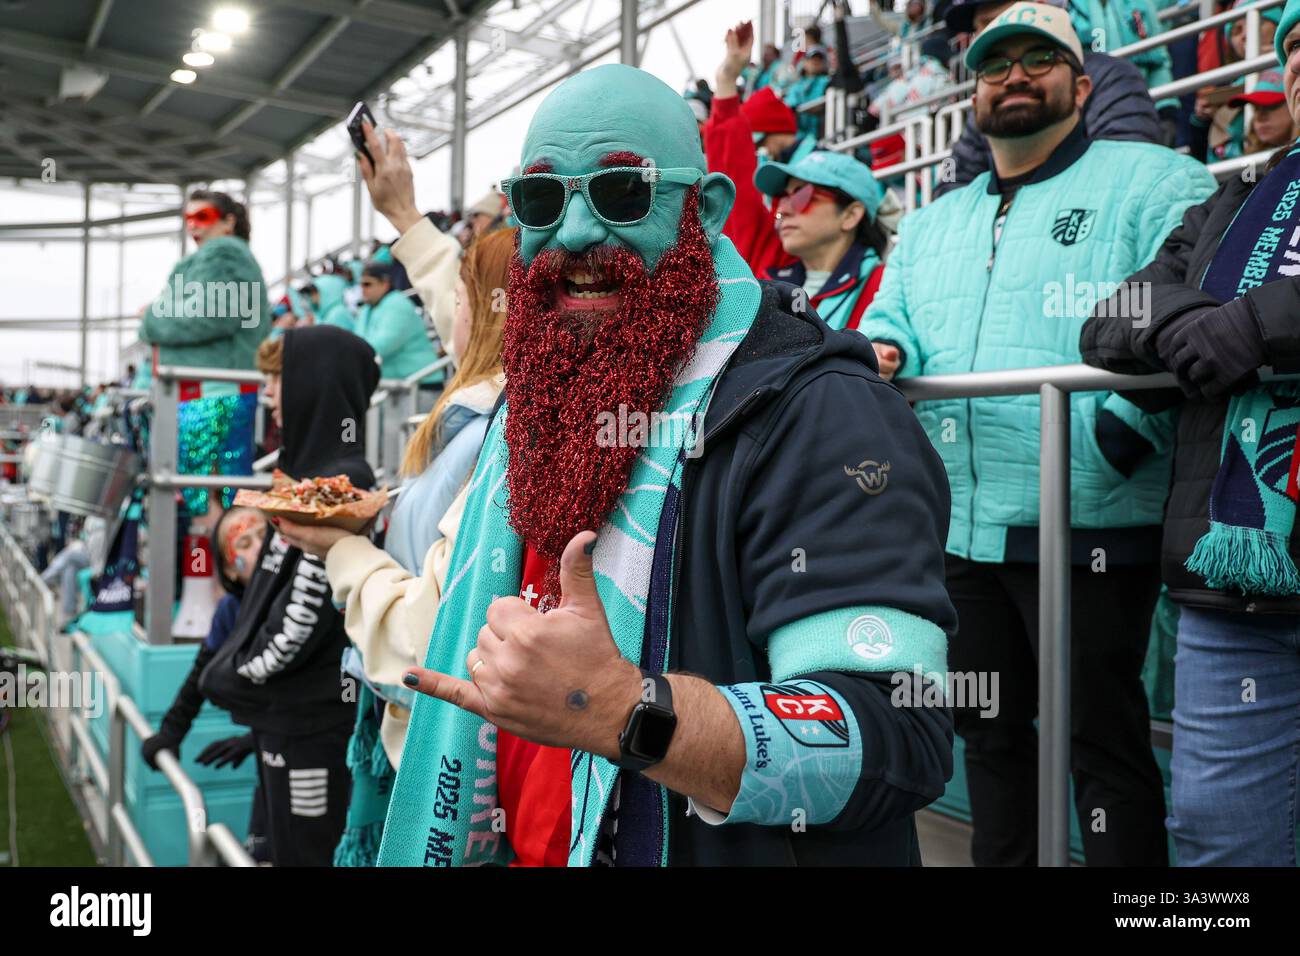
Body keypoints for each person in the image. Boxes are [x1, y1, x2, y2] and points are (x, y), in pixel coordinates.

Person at [378, 63, 956, 869]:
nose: (576, 234)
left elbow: (898, 734)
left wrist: (625, 712)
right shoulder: (538, 403)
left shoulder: (823, 413)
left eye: (622, 193)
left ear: (707, 208)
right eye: (543, 201)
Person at [861, 3, 1217, 866]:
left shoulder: (1157, 180)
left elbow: (1178, 303)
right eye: (995, 65)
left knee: (1101, 740)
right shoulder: (934, 222)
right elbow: (891, 313)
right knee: (987, 737)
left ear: (1082, 83)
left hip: (1088, 522)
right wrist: (886, 347)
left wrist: (1118, 430)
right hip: (961, 533)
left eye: (1037, 59)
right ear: (974, 92)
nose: (1014, 75)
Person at [1079, 0, 1300, 868]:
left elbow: (1249, 325)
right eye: (1296, 54)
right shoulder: (1231, 198)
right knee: (1217, 840)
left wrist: (1256, 326)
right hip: (1236, 588)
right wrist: (1188, 331)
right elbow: (1107, 320)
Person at [273, 227, 515, 865]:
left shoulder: (496, 437)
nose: (447, 316)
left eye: (461, 300)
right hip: (417, 735)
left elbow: (428, 637)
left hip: (442, 761)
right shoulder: (485, 417)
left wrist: (341, 551)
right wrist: (406, 218)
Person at [199, 326, 379, 867]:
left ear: (313, 382)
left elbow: (298, 620)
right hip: (284, 723)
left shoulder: (342, 480)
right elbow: (262, 605)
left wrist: (229, 677)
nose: (269, 393)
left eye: (277, 377)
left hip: (313, 732)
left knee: (306, 855)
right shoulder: (303, 477)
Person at [140, 506, 270, 860]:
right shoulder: (230, 610)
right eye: (244, 542)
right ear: (230, 568)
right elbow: (201, 674)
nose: (261, 545)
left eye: (265, 534)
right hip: (271, 759)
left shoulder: (302, 602)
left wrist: (256, 737)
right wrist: (170, 733)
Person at [937, 0, 1162, 196]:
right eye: (981, 27)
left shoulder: (1110, 74)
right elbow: (950, 179)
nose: (1015, 78)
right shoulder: (992, 102)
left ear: (1080, 89)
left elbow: (1126, 170)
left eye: (1039, 61)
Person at [139, 189, 270, 518]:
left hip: (212, 393)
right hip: (209, 390)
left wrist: (151, 318)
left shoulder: (225, 252)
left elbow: (213, 315)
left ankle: (218, 568)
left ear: (229, 222)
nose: (193, 226)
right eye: (188, 218)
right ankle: (215, 566)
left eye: (203, 217)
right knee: (210, 497)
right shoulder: (221, 257)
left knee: (208, 503)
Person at [754, 151, 890, 330]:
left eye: (801, 196)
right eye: (782, 198)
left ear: (851, 215)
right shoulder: (767, 287)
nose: (783, 210)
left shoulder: (886, 287)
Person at [1068, 0, 1180, 143]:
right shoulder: (1063, 5)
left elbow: (1158, 59)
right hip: (1087, 116)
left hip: (1140, 109)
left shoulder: (1142, 3)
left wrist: (1166, 109)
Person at [354, 260, 441, 399]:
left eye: (368, 284)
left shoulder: (398, 305)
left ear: (385, 283)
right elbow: (358, 342)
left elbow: (382, 345)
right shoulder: (367, 308)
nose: (362, 289)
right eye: (361, 284)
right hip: (399, 386)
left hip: (420, 387)